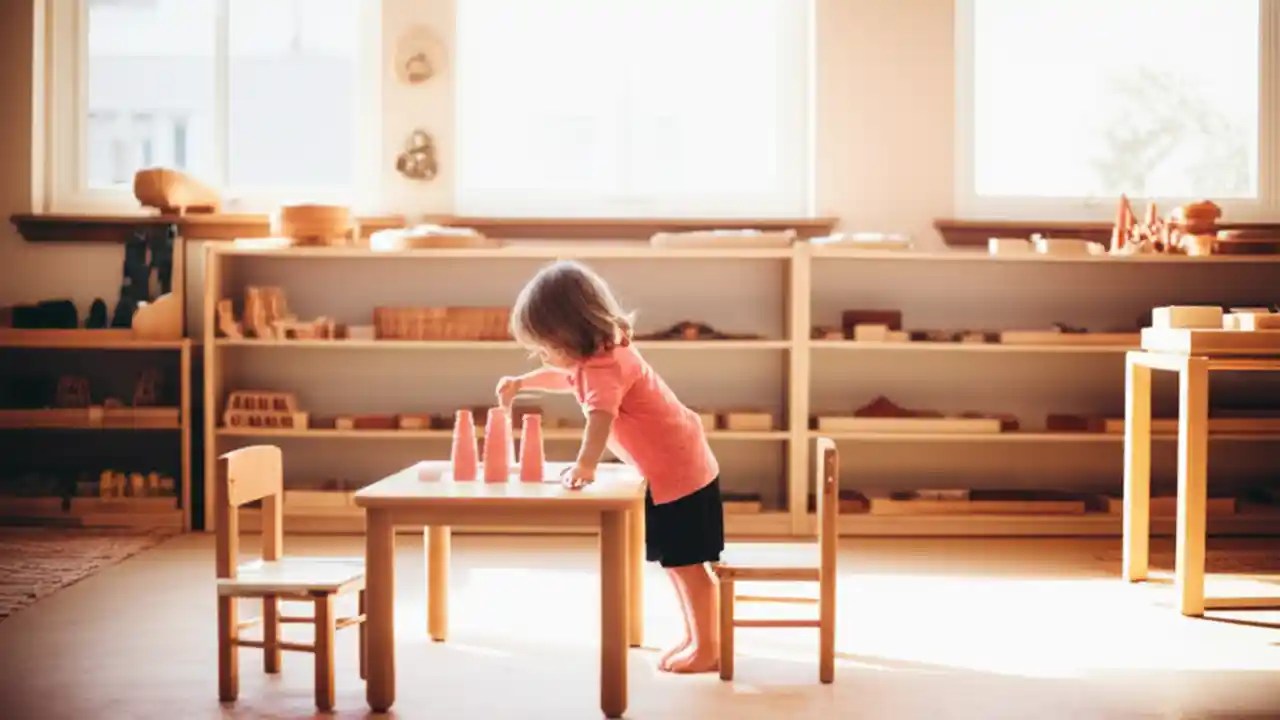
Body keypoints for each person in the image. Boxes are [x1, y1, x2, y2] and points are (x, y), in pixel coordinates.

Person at [495, 260, 724, 673]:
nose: (544, 356)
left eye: (546, 348)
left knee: (689, 566)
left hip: (680, 473)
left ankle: (709, 646)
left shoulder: (606, 368)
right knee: (678, 563)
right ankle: (698, 638)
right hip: (674, 469)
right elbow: (564, 380)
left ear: (569, 334)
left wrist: (586, 465)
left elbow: (598, 418)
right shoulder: (596, 359)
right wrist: (523, 382)